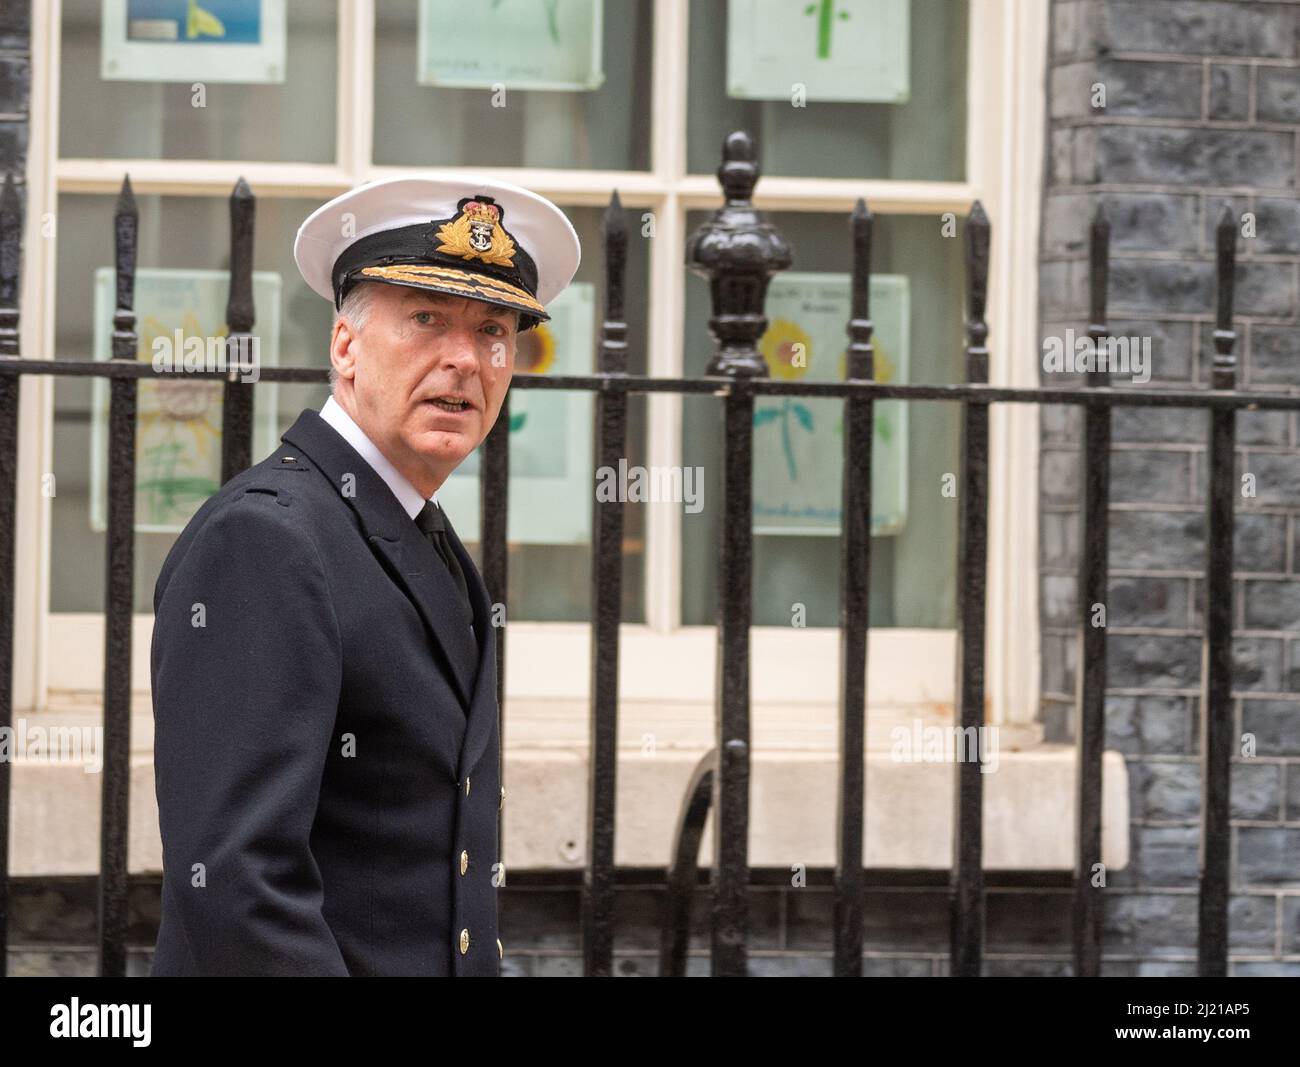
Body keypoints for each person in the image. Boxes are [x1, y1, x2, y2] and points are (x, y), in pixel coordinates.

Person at [149, 176, 581, 976]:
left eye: (493, 330)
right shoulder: (265, 539)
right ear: (345, 346)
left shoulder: (421, 535)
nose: (463, 358)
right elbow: (241, 889)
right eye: (426, 320)